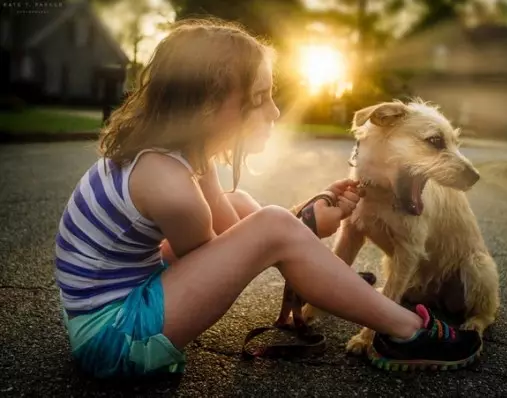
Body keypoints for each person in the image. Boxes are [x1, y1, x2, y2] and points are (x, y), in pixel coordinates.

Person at [54, 18, 482, 379]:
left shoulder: (177, 159)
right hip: (115, 339)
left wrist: (304, 223)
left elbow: (232, 231)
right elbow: (225, 256)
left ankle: (335, 283)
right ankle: (404, 332)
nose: (275, 112)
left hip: (116, 307)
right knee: (274, 225)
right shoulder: (168, 185)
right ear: (207, 106)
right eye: (260, 99)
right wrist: (301, 230)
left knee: (242, 204)